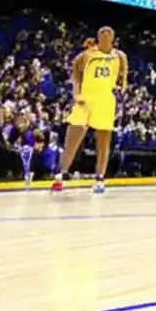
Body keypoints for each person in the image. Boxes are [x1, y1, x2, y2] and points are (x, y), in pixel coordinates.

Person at [52, 26, 126, 195]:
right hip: (86, 98)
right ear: (98, 37)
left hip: (106, 99)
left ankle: (100, 177)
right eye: (102, 33)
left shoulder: (120, 57)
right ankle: (61, 174)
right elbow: (76, 76)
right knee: (73, 136)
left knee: (103, 140)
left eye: (109, 33)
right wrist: (76, 94)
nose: (106, 34)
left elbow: (123, 78)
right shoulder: (86, 55)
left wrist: (120, 88)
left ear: (113, 38)